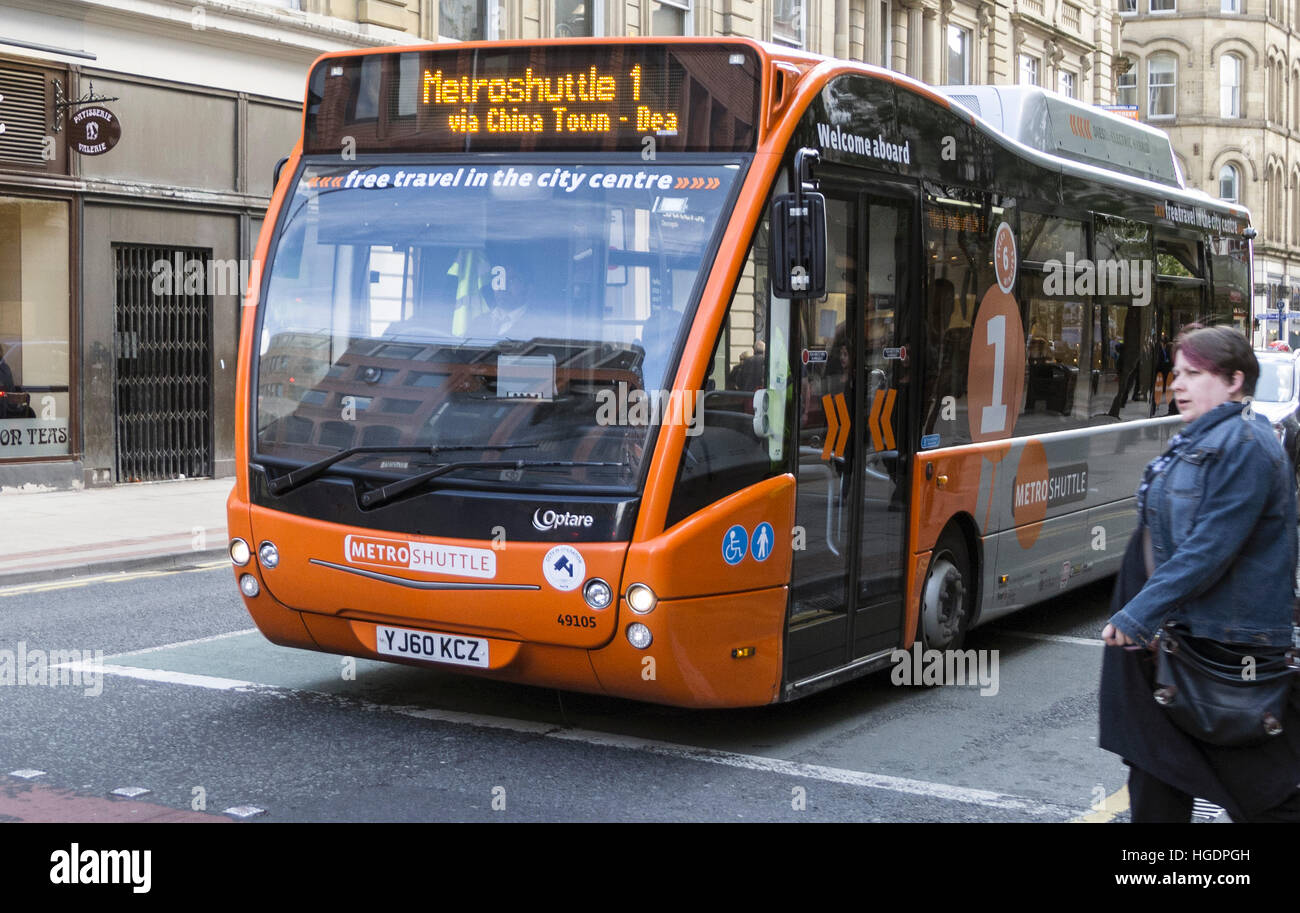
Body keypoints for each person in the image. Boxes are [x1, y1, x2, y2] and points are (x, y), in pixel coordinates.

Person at [1099, 324, 1300, 822]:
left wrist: (1139, 616)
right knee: (1157, 772)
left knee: (1262, 790)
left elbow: (1209, 547)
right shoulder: (1199, 438)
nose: (1178, 384)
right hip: (1181, 639)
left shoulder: (1248, 443)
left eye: (1194, 373)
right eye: (1177, 372)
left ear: (1234, 380)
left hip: (1222, 647)